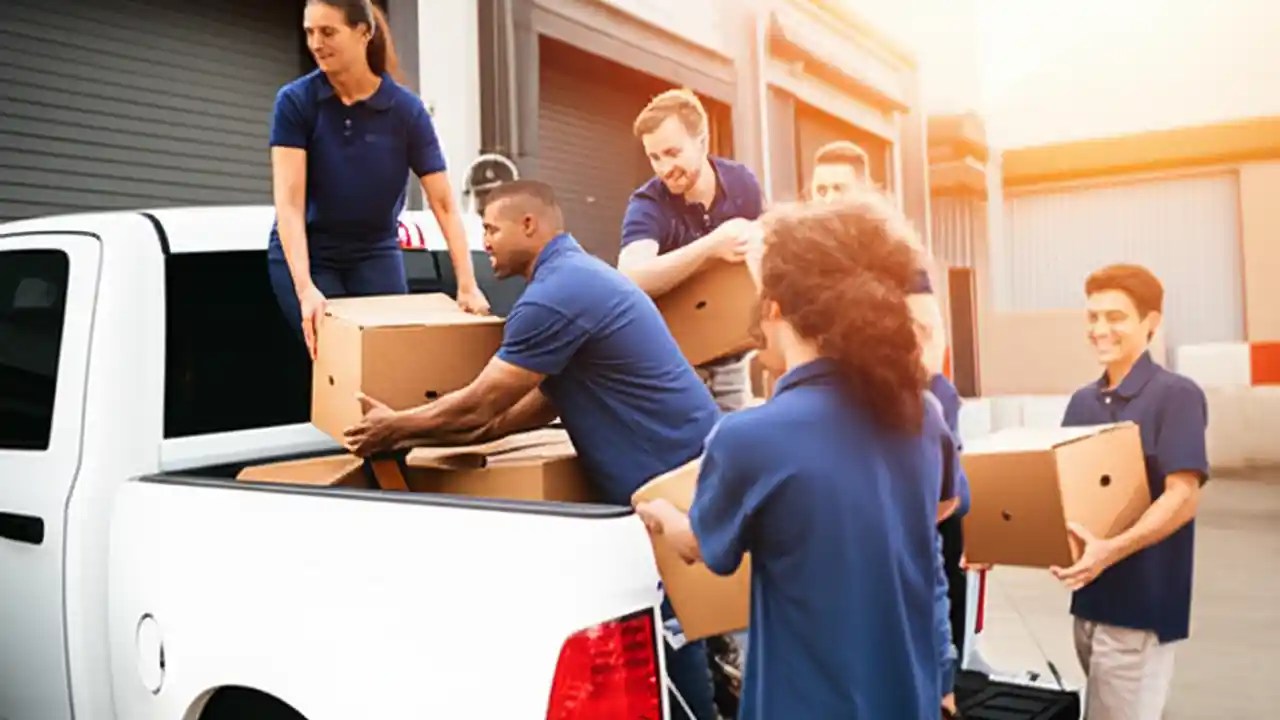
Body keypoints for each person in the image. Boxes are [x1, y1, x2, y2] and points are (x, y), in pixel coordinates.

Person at [342, 180, 721, 720]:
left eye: (491, 228)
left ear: (529, 226)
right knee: (684, 635)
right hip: (689, 473)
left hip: (674, 487)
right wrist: (423, 435)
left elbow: (480, 405)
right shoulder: (581, 278)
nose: (485, 241)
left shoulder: (555, 296)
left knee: (674, 644)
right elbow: (510, 414)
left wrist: (396, 426)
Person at [635, 196, 951, 719]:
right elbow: (936, 521)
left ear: (775, 309)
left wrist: (660, 515)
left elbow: (703, 546)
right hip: (907, 699)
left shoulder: (749, 439)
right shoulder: (924, 415)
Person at [810, 141, 969, 715]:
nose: (828, 198)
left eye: (839, 187)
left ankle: (941, 691)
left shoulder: (899, 259)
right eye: (819, 189)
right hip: (856, 431)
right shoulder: (817, 266)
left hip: (910, 423)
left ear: (867, 192)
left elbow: (926, 342)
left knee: (928, 570)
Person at [268, 0, 489, 359]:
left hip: (374, 251)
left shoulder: (407, 112)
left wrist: (467, 284)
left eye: (328, 32)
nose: (316, 43)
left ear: (363, 32)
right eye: (310, 32)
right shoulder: (295, 102)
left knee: (388, 357)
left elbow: (444, 204)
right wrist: (305, 289)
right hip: (312, 251)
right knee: (338, 355)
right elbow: (289, 205)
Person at [1055, 264, 1208, 720]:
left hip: (1140, 607)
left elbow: (1182, 496)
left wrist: (1110, 551)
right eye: (1093, 317)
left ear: (1150, 322)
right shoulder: (1082, 402)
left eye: (1115, 317)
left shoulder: (1175, 396)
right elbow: (1061, 490)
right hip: (1089, 603)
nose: (1100, 329)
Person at [618, 88, 765, 412]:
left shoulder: (741, 183)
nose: (664, 168)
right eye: (655, 157)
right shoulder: (648, 204)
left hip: (734, 359)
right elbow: (630, 277)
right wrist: (712, 246)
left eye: (672, 153)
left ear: (702, 141)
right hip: (674, 366)